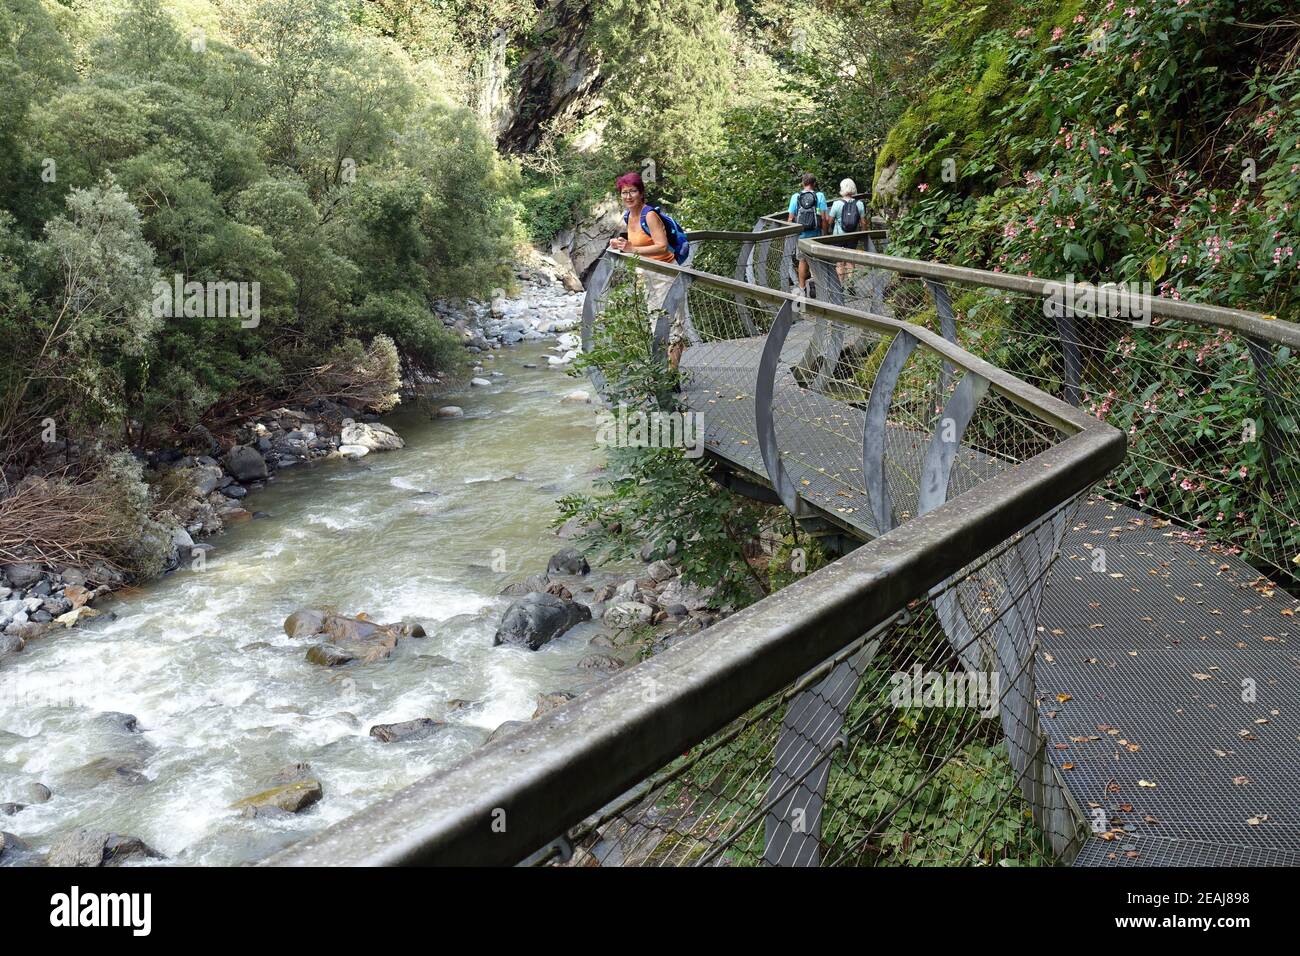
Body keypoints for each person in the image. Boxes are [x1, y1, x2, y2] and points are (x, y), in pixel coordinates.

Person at [608, 172, 685, 369]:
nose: (628, 196)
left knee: (673, 325)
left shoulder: (649, 215)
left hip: (667, 274)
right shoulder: (628, 217)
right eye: (624, 192)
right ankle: (663, 373)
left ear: (641, 193)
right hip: (647, 275)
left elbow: (661, 245)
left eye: (633, 191)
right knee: (655, 325)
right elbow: (635, 245)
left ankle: (672, 375)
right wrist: (621, 245)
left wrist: (632, 249)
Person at [787, 173, 828, 297]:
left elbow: (790, 218)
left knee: (802, 261)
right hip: (815, 235)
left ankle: (802, 288)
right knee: (816, 261)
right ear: (814, 184)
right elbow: (824, 218)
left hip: (801, 235)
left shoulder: (796, 197)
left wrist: (791, 235)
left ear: (802, 183)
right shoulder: (819, 196)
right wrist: (825, 234)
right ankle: (818, 287)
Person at [827, 179, 867, 287]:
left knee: (840, 262)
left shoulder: (836, 204)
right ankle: (850, 285)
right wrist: (863, 235)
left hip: (838, 237)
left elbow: (829, 221)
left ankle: (840, 286)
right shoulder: (859, 204)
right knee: (850, 260)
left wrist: (827, 232)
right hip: (853, 236)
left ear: (842, 188)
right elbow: (863, 222)